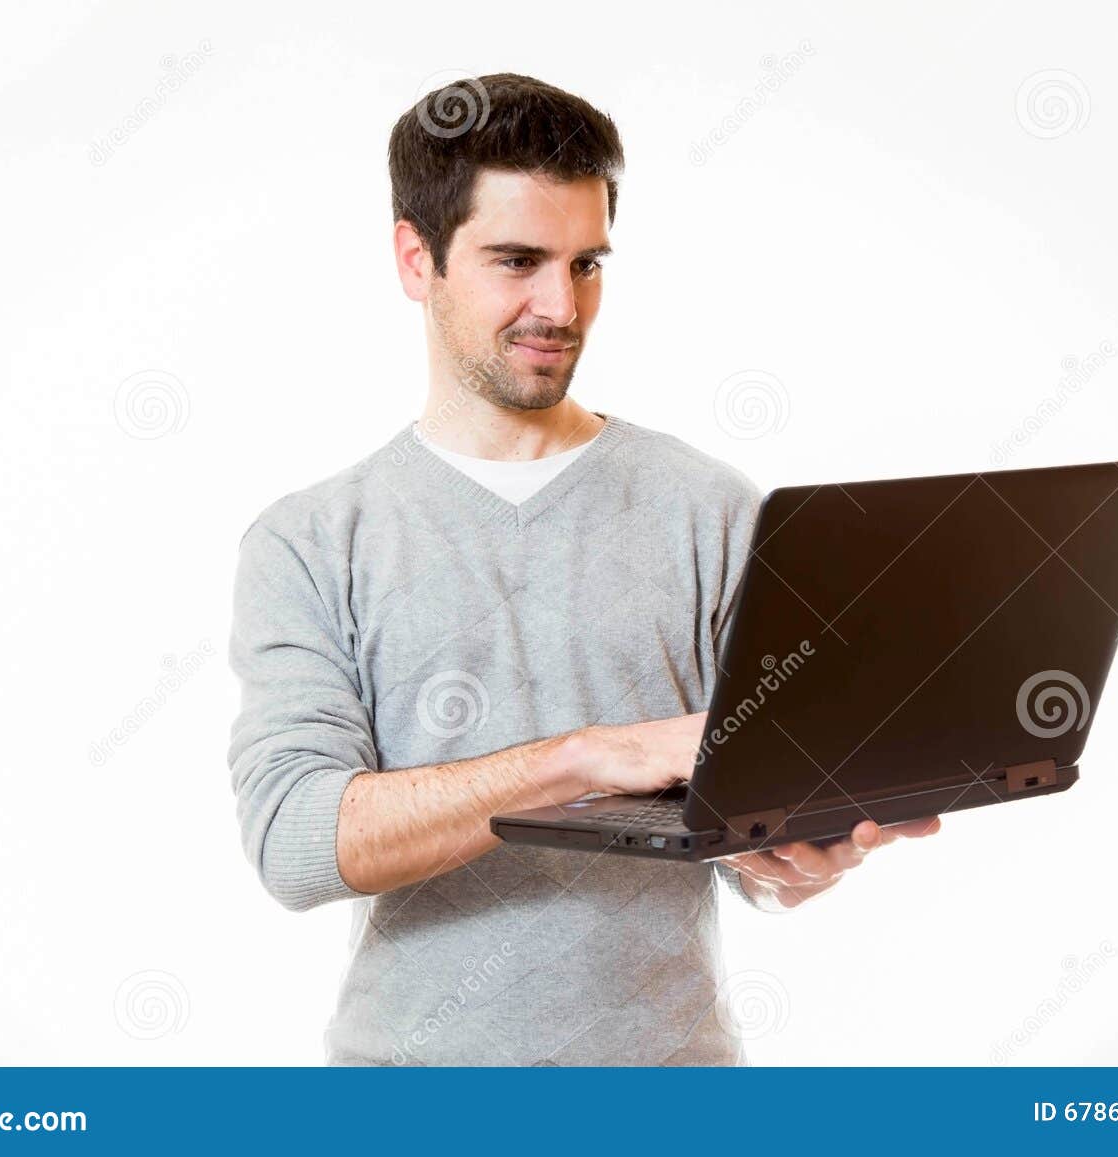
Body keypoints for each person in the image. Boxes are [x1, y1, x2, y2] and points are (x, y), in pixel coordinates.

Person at [226, 72, 939, 1066]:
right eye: (516, 260)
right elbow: (297, 840)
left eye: (587, 262)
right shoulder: (310, 539)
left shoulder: (713, 508)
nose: (560, 306)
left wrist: (793, 860)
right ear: (414, 258)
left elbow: (749, 859)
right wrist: (589, 758)